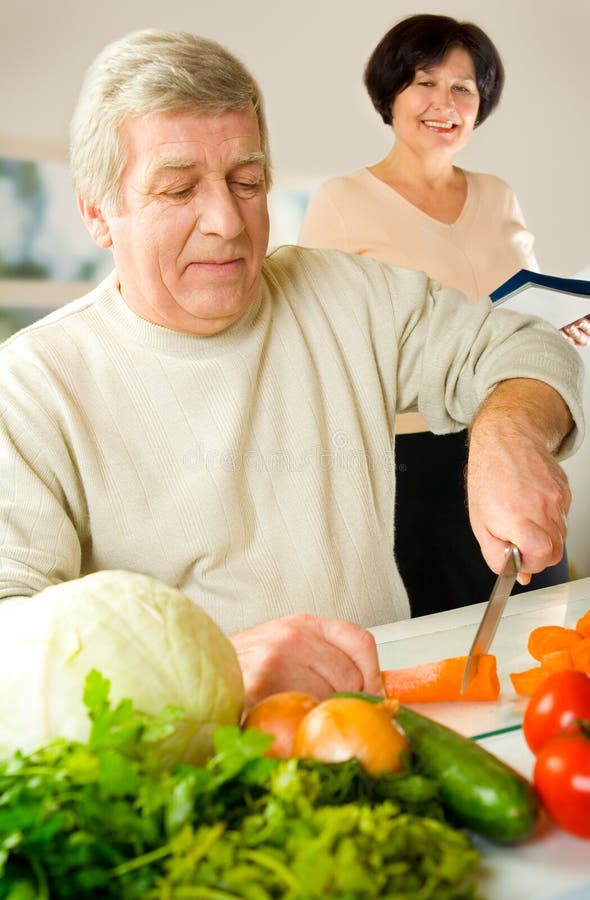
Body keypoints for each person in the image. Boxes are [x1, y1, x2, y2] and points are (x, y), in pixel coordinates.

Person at [0, 29, 584, 709]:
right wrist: (211, 667)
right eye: (179, 189)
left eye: (246, 182)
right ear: (98, 213)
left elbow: (523, 345)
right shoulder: (31, 386)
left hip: (388, 720)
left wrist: (509, 435)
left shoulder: (345, 294)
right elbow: (11, 629)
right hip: (192, 752)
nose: (226, 221)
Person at [299, 13, 587, 618]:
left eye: (463, 88)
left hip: (514, 440)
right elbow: (325, 350)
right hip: (414, 464)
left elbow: (519, 313)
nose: (443, 103)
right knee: (445, 642)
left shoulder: (498, 195)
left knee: (544, 624)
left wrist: (562, 329)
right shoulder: (342, 202)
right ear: (391, 93)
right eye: (424, 82)